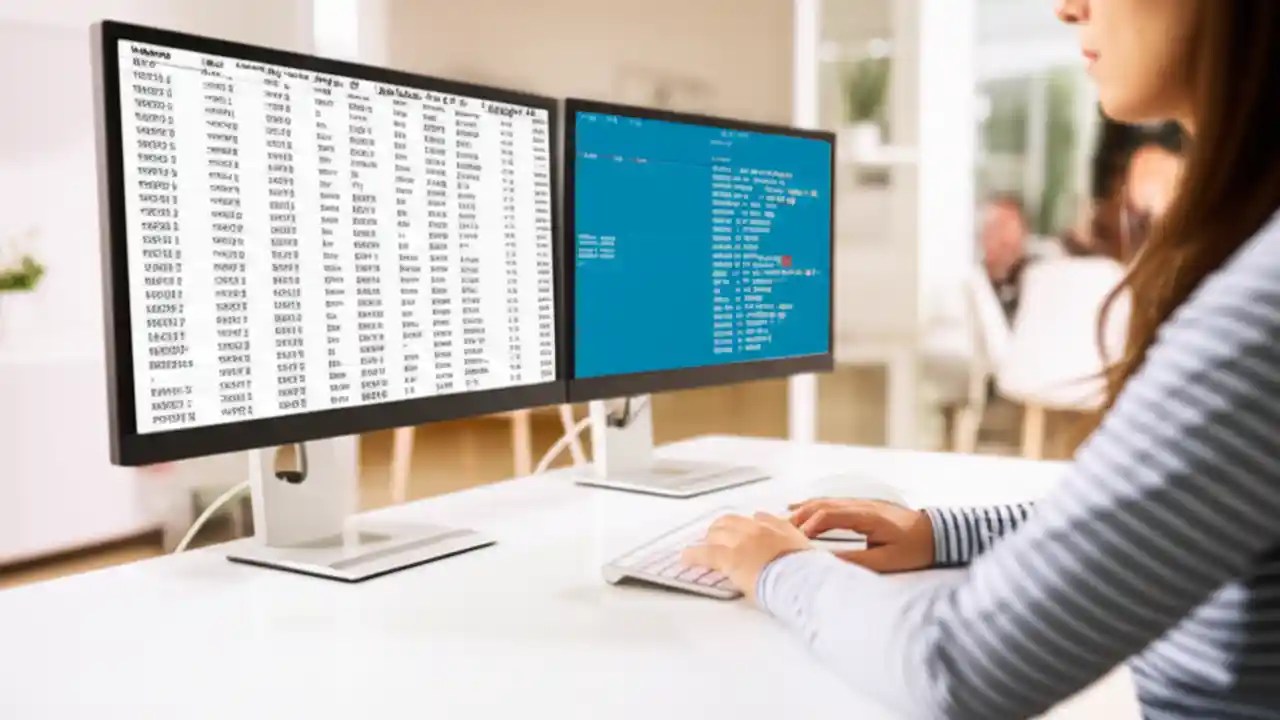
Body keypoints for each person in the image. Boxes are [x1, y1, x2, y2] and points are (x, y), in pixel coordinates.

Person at [685, 1, 1280, 717]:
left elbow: (957, 666)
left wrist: (780, 567)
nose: (1068, 7)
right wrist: (937, 533)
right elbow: (1154, 514)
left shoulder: (1263, 301)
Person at [979, 195, 1032, 320]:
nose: (1004, 238)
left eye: (1009, 229)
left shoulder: (1035, 281)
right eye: (996, 228)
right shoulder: (975, 284)